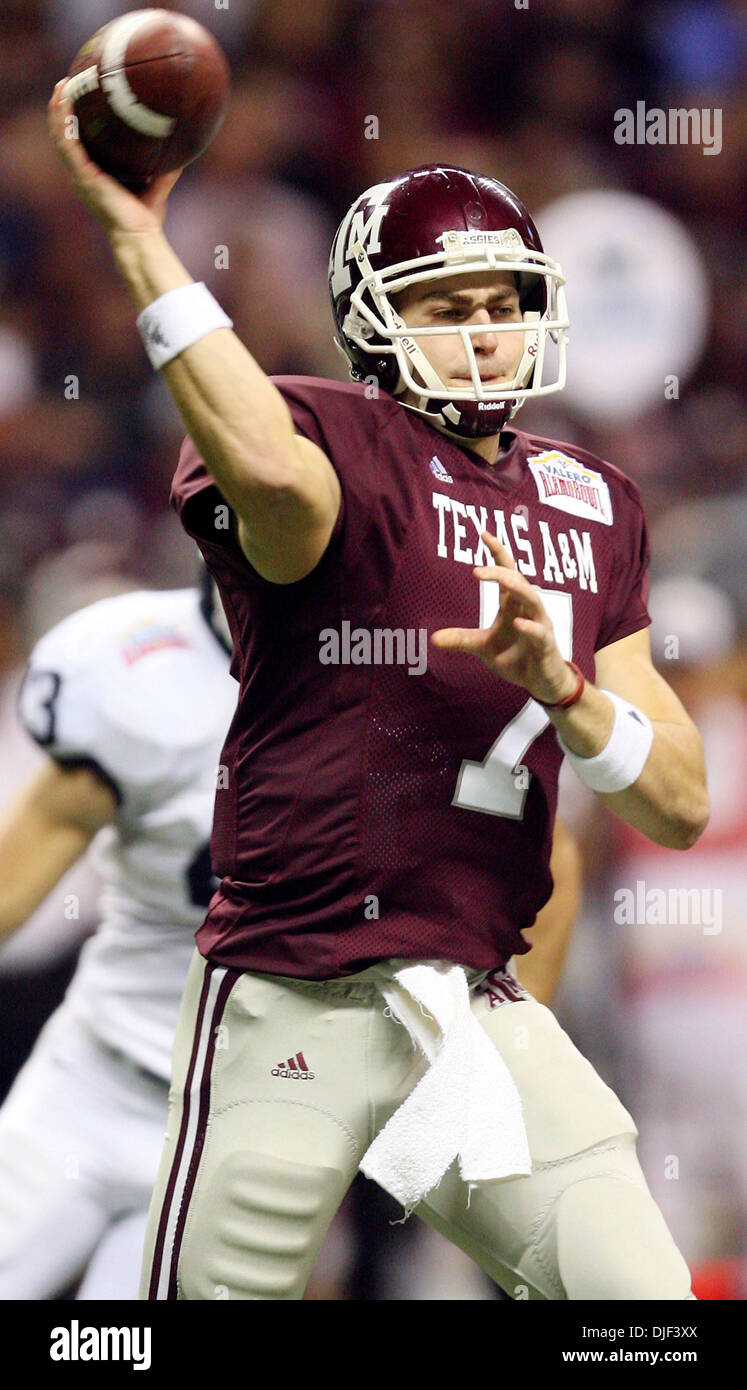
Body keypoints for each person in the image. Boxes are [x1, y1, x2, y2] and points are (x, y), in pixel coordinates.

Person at [49, 86, 709, 1301]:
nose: (481, 332)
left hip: (473, 999)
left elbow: (675, 800)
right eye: (441, 307)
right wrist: (145, 242)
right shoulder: (330, 436)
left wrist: (566, 686)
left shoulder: (595, 500)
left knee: (648, 1308)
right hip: (292, 988)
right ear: (369, 323)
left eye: (501, 304)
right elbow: (270, 482)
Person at [0, 574, 236, 1298]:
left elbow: (550, 868)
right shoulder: (141, 675)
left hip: (243, 1132)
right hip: (90, 1081)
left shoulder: (405, 678)